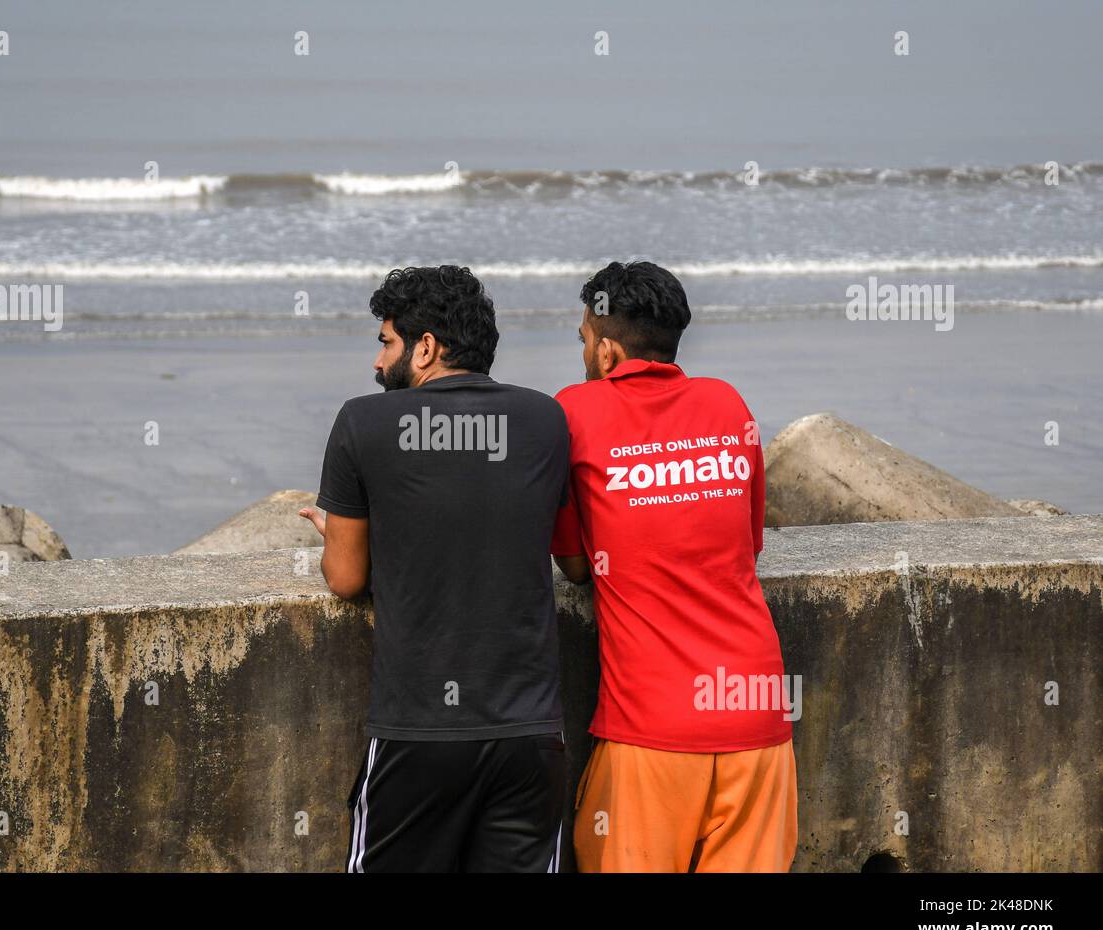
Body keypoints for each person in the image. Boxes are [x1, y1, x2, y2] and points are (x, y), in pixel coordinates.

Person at [299, 265, 571, 872]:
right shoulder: (546, 420)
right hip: (528, 735)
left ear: (426, 347)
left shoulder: (362, 422)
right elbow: (504, 525)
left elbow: (344, 579)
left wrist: (348, 537)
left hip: (417, 734)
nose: (377, 364)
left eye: (386, 342)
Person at [551, 260, 798, 872]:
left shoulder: (575, 412)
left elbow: (578, 566)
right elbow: (744, 543)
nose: (582, 354)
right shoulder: (726, 401)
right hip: (758, 719)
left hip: (651, 728)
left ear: (607, 351)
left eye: (583, 339)